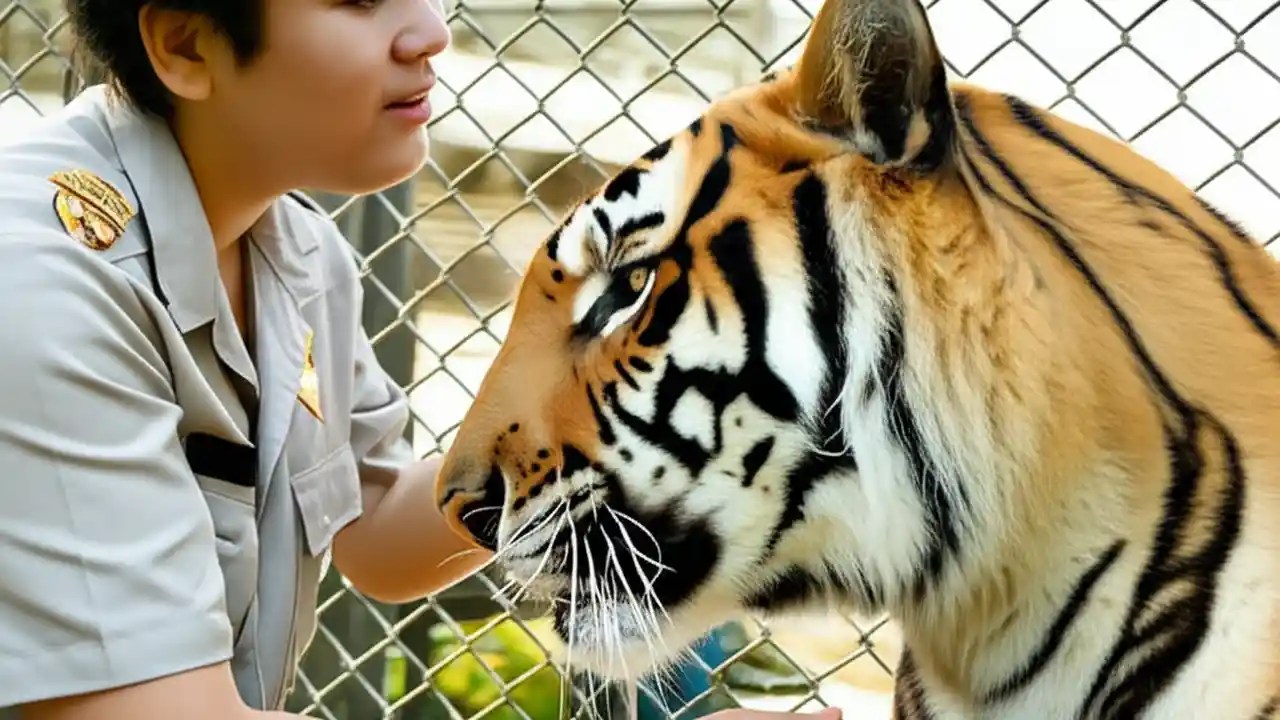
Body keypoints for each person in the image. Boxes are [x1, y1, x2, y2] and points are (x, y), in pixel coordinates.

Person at [0, 1, 843, 718]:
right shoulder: (43, 288)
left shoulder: (294, 248)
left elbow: (376, 530)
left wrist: (603, 425)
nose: (432, 31)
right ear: (186, 45)